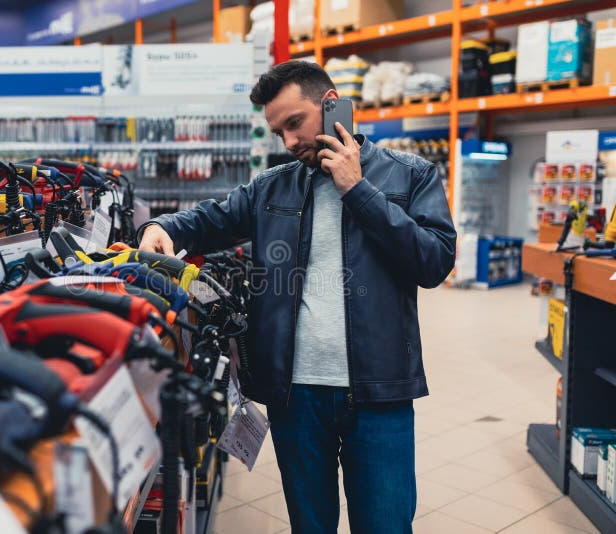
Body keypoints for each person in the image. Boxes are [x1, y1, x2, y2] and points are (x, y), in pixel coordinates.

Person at [138, 60, 456, 533]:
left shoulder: (410, 176)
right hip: (295, 397)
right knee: (310, 526)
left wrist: (359, 191)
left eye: (294, 123)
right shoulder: (274, 186)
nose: (287, 142)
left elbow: (434, 262)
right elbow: (213, 218)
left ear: (332, 107)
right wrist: (160, 225)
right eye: (277, 131)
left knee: (386, 525)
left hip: (378, 393)